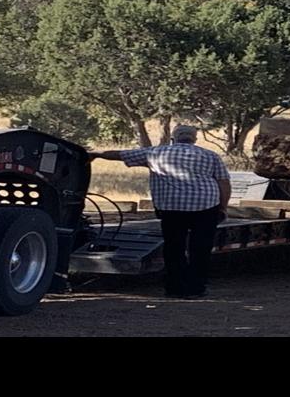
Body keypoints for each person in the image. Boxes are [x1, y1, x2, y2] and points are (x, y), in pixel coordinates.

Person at [93, 125, 230, 299]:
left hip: (171, 208)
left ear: (173, 138)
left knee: (174, 247)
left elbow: (120, 154)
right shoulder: (210, 156)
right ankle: (197, 288)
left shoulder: (155, 153)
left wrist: (96, 155)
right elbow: (223, 182)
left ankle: (174, 288)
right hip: (205, 207)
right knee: (200, 248)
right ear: (194, 139)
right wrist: (223, 207)